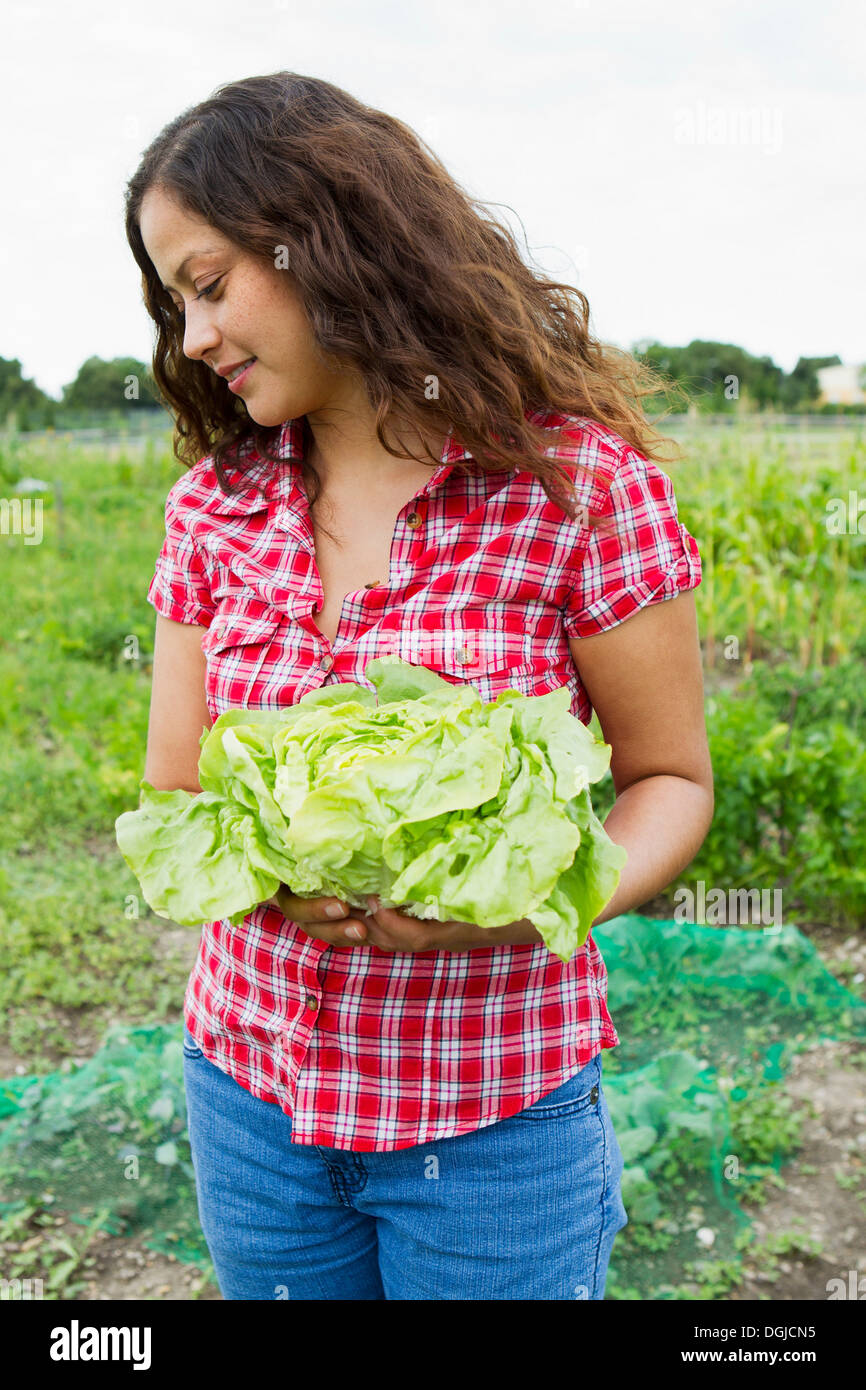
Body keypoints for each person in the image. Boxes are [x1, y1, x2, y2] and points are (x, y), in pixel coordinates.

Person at [125, 71, 713, 1301]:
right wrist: (273, 890)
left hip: (490, 1114)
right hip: (251, 1096)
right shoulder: (211, 511)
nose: (194, 340)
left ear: (328, 235)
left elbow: (667, 779)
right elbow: (176, 787)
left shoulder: (575, 489)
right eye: (175, 303)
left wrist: (533, 898)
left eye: (212, 284)